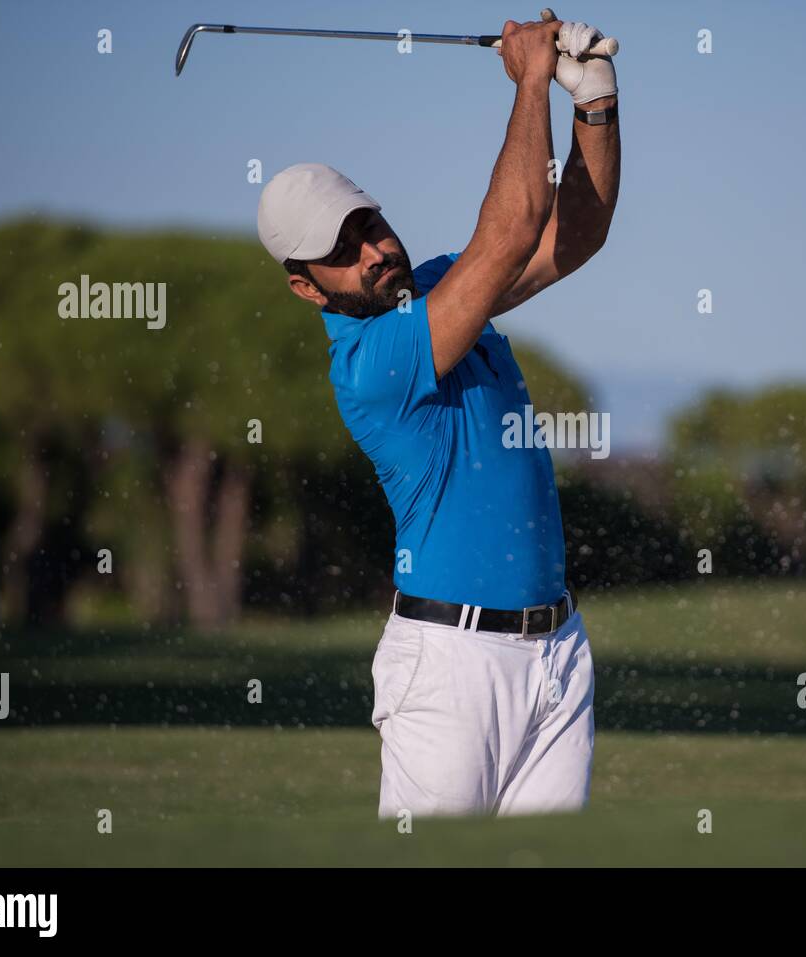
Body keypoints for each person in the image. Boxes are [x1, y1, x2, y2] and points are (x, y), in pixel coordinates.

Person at [255, 17, 620, 818]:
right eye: (342, 251)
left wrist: (592, 97)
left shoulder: (445, 290)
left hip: (556, 651)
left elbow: (577, 232)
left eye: (370, 225)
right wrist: (529, 80)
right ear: (306, 287)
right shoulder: (371, 364)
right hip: (452, 665)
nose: (373, 251)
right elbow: (514, 228)